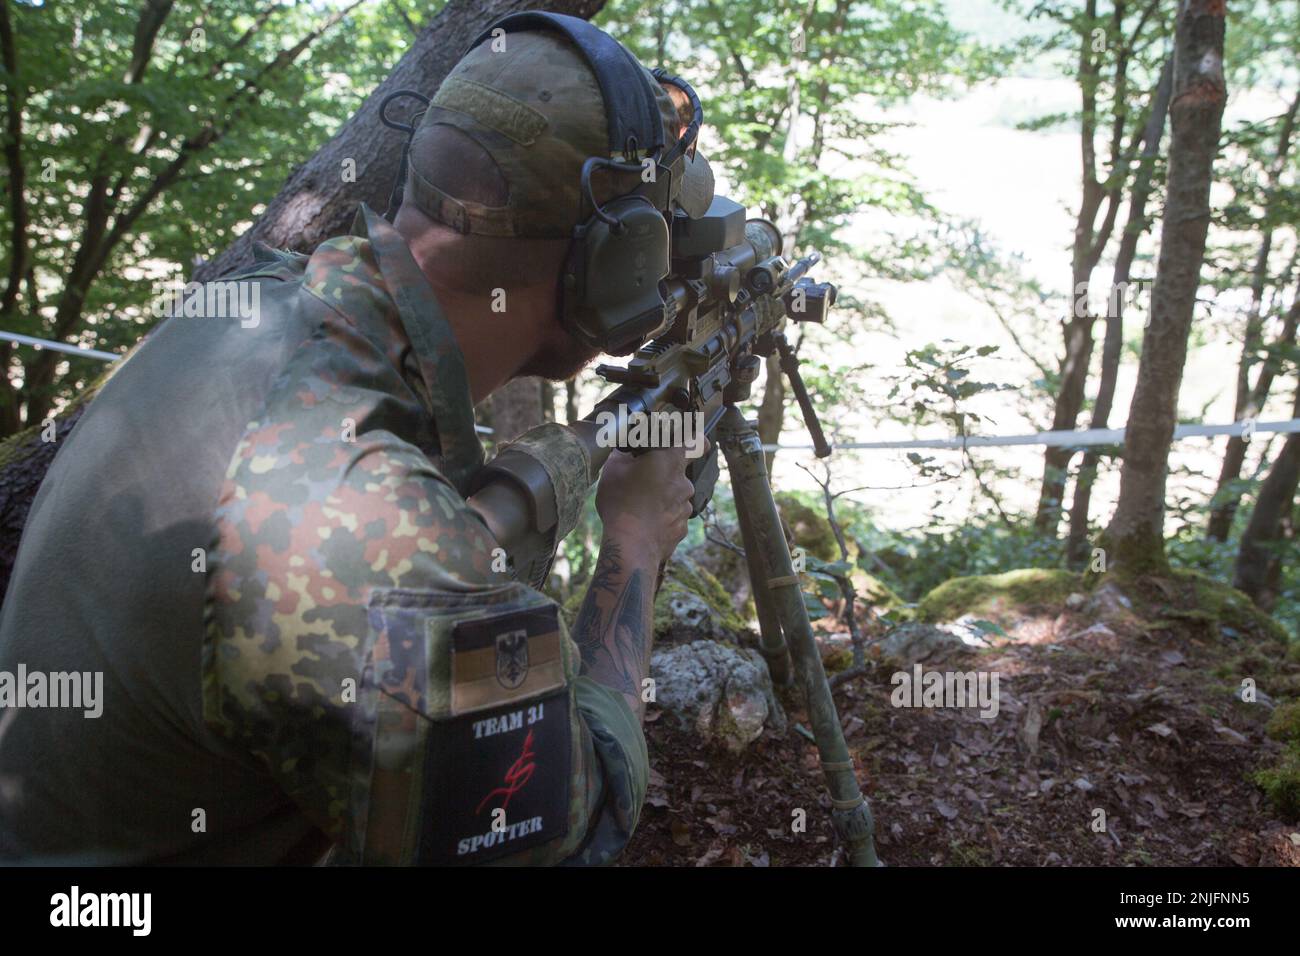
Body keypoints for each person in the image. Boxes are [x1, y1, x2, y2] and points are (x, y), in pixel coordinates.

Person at [0, 15, 710, 865]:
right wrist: (633, 543)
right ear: (615, 263)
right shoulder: (365, 532)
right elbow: (570, 829)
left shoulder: (249, 309)